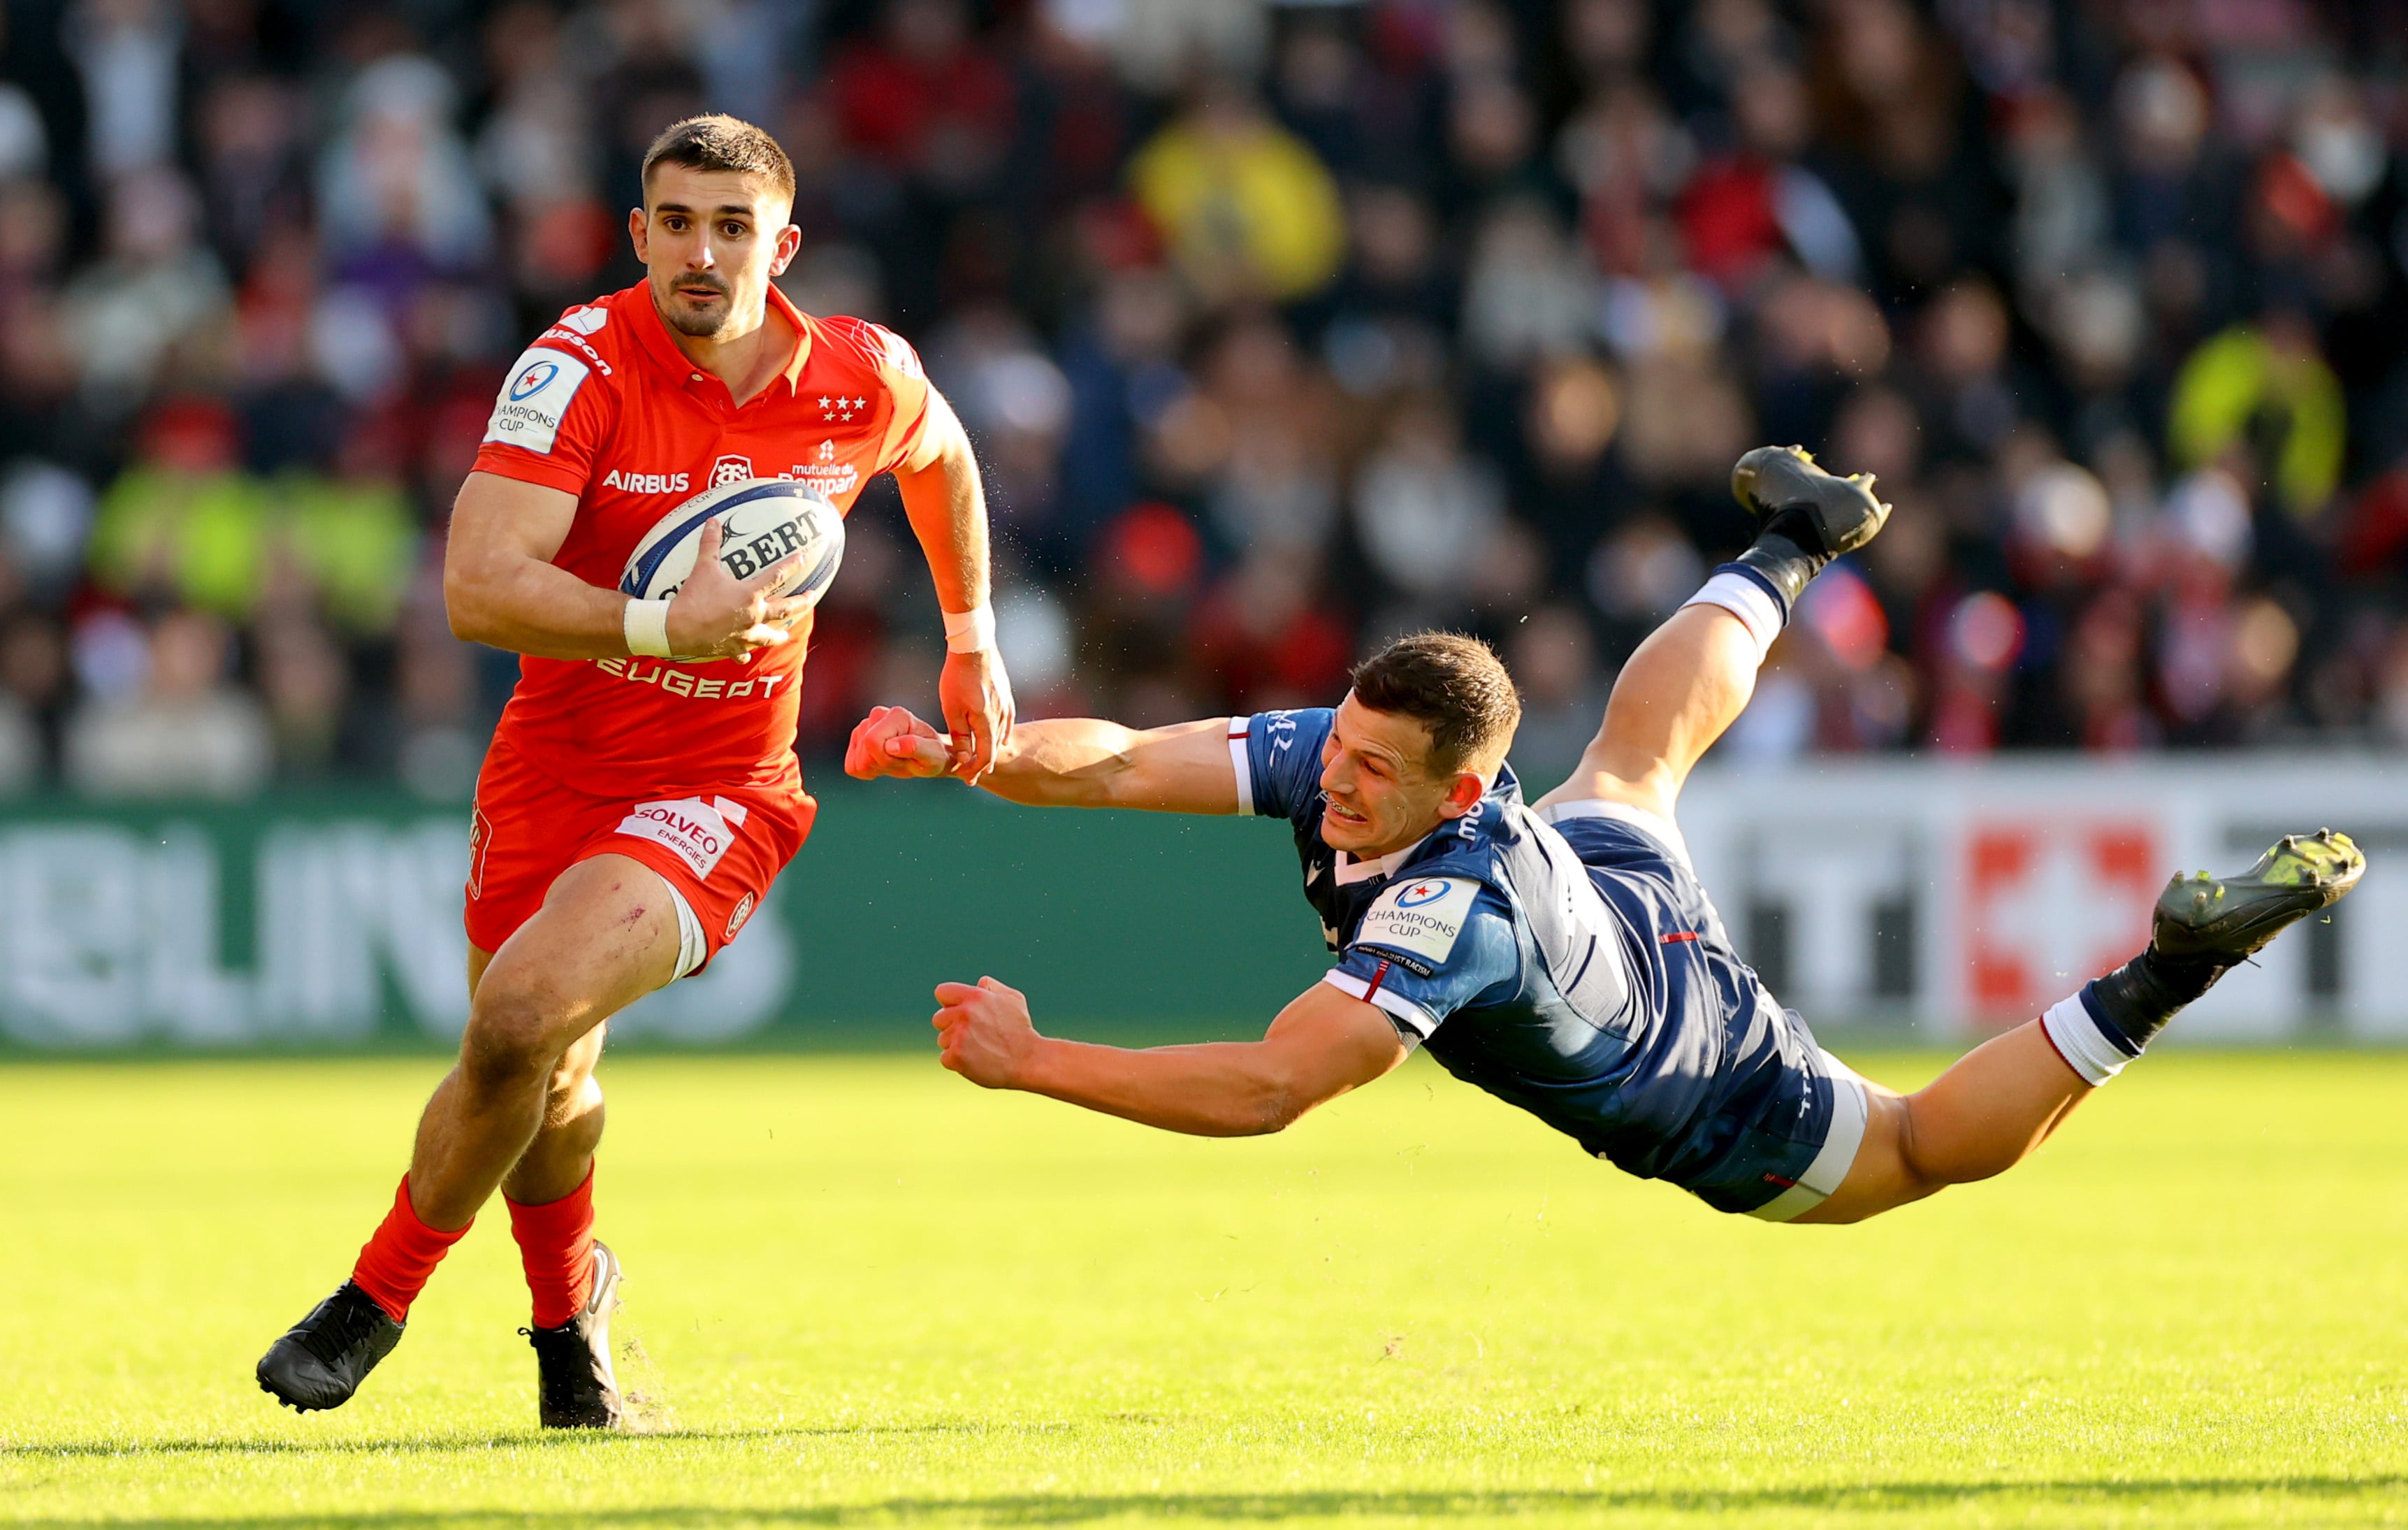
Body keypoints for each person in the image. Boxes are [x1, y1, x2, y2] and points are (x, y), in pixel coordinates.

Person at [846, 447, 2360, 1225]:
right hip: (1599, 883)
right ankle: (1793, 544)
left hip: (1701, 1072)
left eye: (1375, 772)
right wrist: (973, 755)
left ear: (1455, 794)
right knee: (1630, 766)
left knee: (1906, 1152)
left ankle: (2164, 970)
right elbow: (1112, 764)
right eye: (1341, 749)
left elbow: (1269, 1087)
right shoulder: (1358, 756)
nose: (1335, 784)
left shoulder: (1447, 912)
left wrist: (1039, 1061)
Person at [256, 115, 1013, 1428]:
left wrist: (971, 638)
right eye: (676, 224)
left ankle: (370, 1301)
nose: (702, 253)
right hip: (550, 772)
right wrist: (665, 623)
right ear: (639, 235)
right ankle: (569, 1330)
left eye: (733, 227)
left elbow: (941, 453)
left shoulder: (858, 376)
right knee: (532, 1071)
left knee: (518, 1011)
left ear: (784, 244)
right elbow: (476, 588)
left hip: (722, 788)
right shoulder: (577, 365)